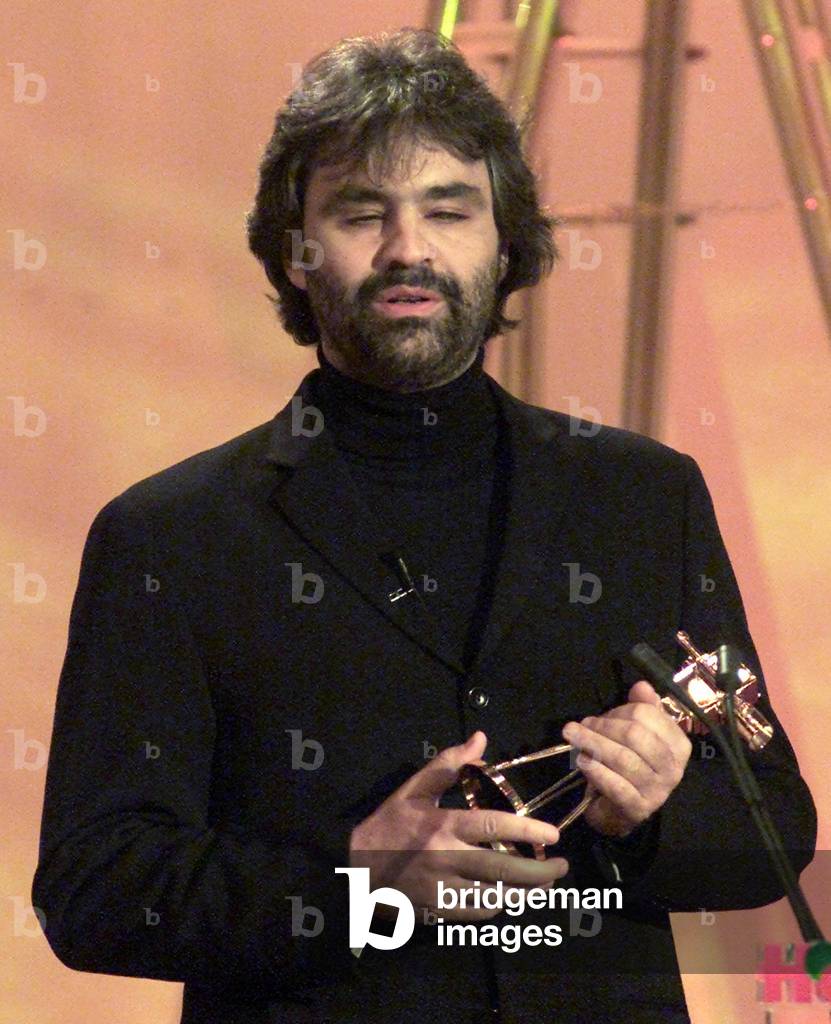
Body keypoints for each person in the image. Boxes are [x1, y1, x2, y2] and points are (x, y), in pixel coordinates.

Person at [32, 26, 816, 1024]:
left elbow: (775, 830)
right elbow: (95, 889)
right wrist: (352, 887)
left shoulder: (645, 497)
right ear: (296, 251)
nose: (409, 249)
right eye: (363, 213)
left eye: (448, 210)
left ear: (506, 242)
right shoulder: (171, 536)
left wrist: (660, 810)